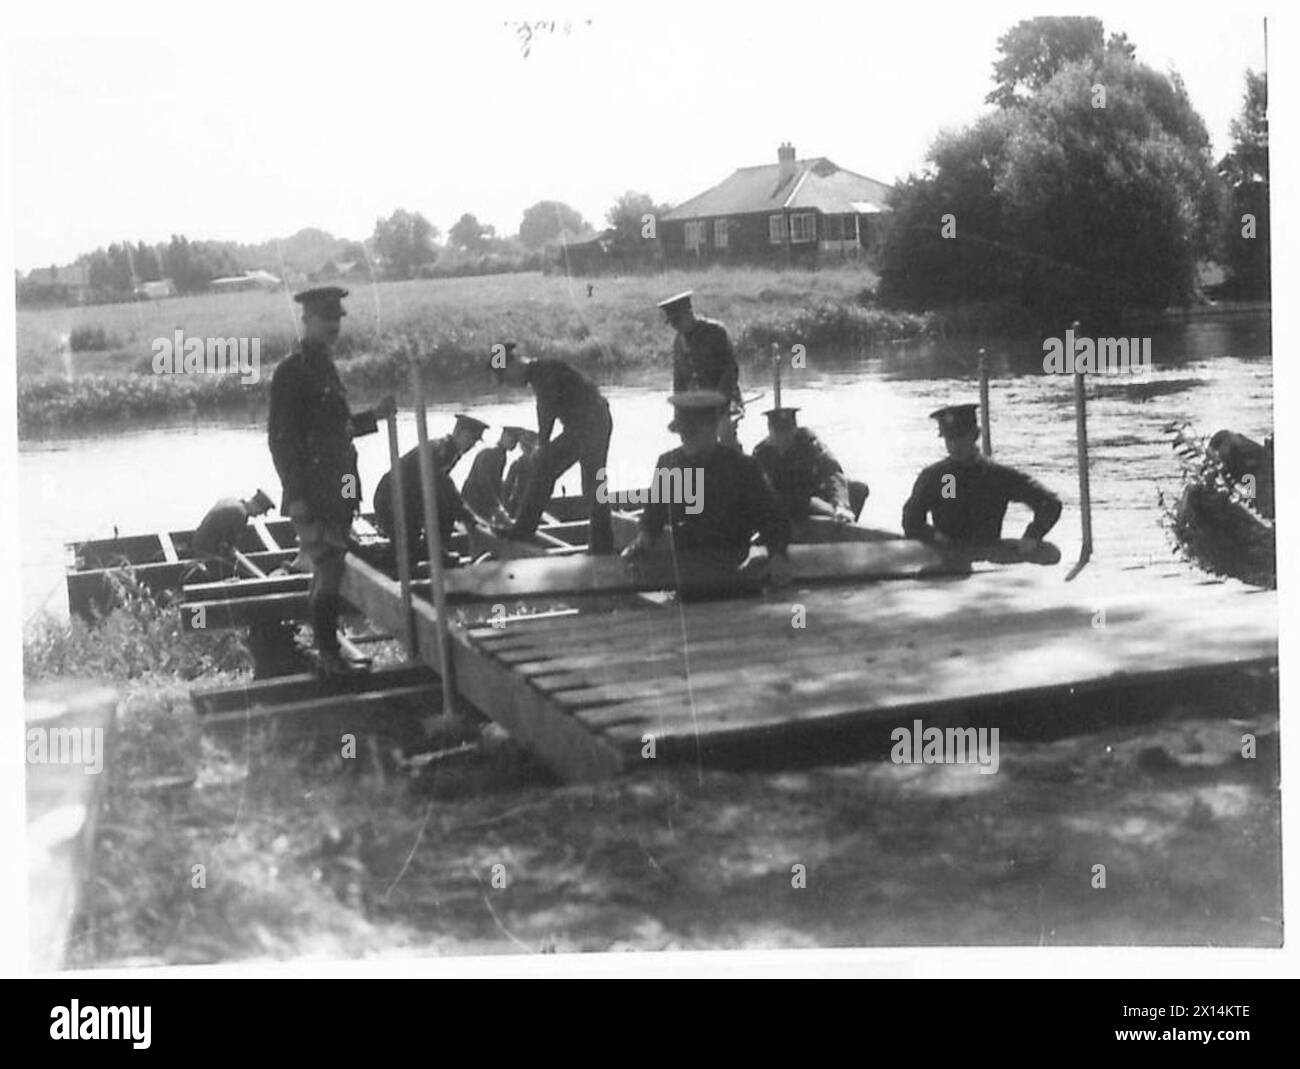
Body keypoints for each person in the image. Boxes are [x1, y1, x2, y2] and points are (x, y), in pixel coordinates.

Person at [267, 286, 395, 677]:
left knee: (328, 568)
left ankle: (326, 647)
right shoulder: (292, 372)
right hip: (312, 492)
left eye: (338, 318)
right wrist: (297, 497)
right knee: (330, 567)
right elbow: (281, 441)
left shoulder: (325, 366)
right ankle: (328, 655)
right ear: (306, 320)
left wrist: (373, 416)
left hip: (338, 490)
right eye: (326, 319)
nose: (334, 325)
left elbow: (337, 431)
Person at [622, 391, 789, 569]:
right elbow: (652, 520)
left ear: (712, 429)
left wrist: (777, 555)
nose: (686, 438)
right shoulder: (669, 464)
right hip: (685, 566)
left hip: (732, 568)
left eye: (693, 433)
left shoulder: (742, 467)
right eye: (683, 433)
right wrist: (639, 545)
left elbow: (774, 521)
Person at [492, 342, 614, 554]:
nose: (509, 384)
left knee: (584, 479)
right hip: (586, 424)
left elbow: (546, 409)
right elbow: (546, 409)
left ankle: (524, 528)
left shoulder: (544, 373)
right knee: (589, 482)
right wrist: (543, 445)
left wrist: (543, 445)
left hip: (591, 423)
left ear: (513, 365)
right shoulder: (541, 373)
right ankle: (601, 544)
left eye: (506, 378)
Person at [901, 404, 1062, 554]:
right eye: (950, 439)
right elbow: (911, 519)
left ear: (974, 435)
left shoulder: (997, 475)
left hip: (988, 557)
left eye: (960, 437)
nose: (955, 445)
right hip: (948, 558)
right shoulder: (937, 476)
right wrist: (934, 536)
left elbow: (1049, 504)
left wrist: (1032, 535)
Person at [373, 414, 489, 564]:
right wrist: (349, 500)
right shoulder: (441, 451)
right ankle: (380, 559)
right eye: (470, 439)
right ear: (458, 432)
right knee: (406, 547)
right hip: (390, 500)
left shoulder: (447, 451)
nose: (471, 445)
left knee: (442, 511)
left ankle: (434, 550)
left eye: (474, 441)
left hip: (405, 499)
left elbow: (439, 488)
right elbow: (444, 487)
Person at [752, 407, 869, 531]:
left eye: (787, 431)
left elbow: (832, 471)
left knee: (858, 488)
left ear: (795, 429)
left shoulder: (809, 443)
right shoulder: (762, 453)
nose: (783, 437)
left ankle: (844, 527)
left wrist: (841, 505)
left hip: (811, 494)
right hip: (785, 502)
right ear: (770, 431)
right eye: (778, 431)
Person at [658, 291, 742, 450]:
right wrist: (679, 414)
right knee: (693, 446)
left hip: (725, 402)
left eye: (677, 320)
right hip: (696, 407)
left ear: (688, 314)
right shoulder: (678, 342)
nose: (675, 326)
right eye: (672, 323)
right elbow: (679, 381)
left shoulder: (716, 332)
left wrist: (720, 402)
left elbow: (730, 369)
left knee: (726, 439)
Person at [191, 488, 276, 569]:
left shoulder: (231, 500)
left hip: (197, 541)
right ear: (256, 506)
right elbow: (231, 546)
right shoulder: (240, 514)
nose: (258, 515)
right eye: (260, 512)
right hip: (205, 550)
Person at [460, 425, 524, 525]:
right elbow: (484, 481)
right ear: (503, 436)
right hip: (474, 499)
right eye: (512, 440)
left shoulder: (500, 454)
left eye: (516, 441)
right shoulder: (491, 454)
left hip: (479, 497)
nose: (514, 444)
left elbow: (495, 480)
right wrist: (496, 505)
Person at [503, 428, 540, 516]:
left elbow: (507, 486)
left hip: (522, 501)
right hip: (530, 500)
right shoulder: (540, 463)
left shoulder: (518, 464)